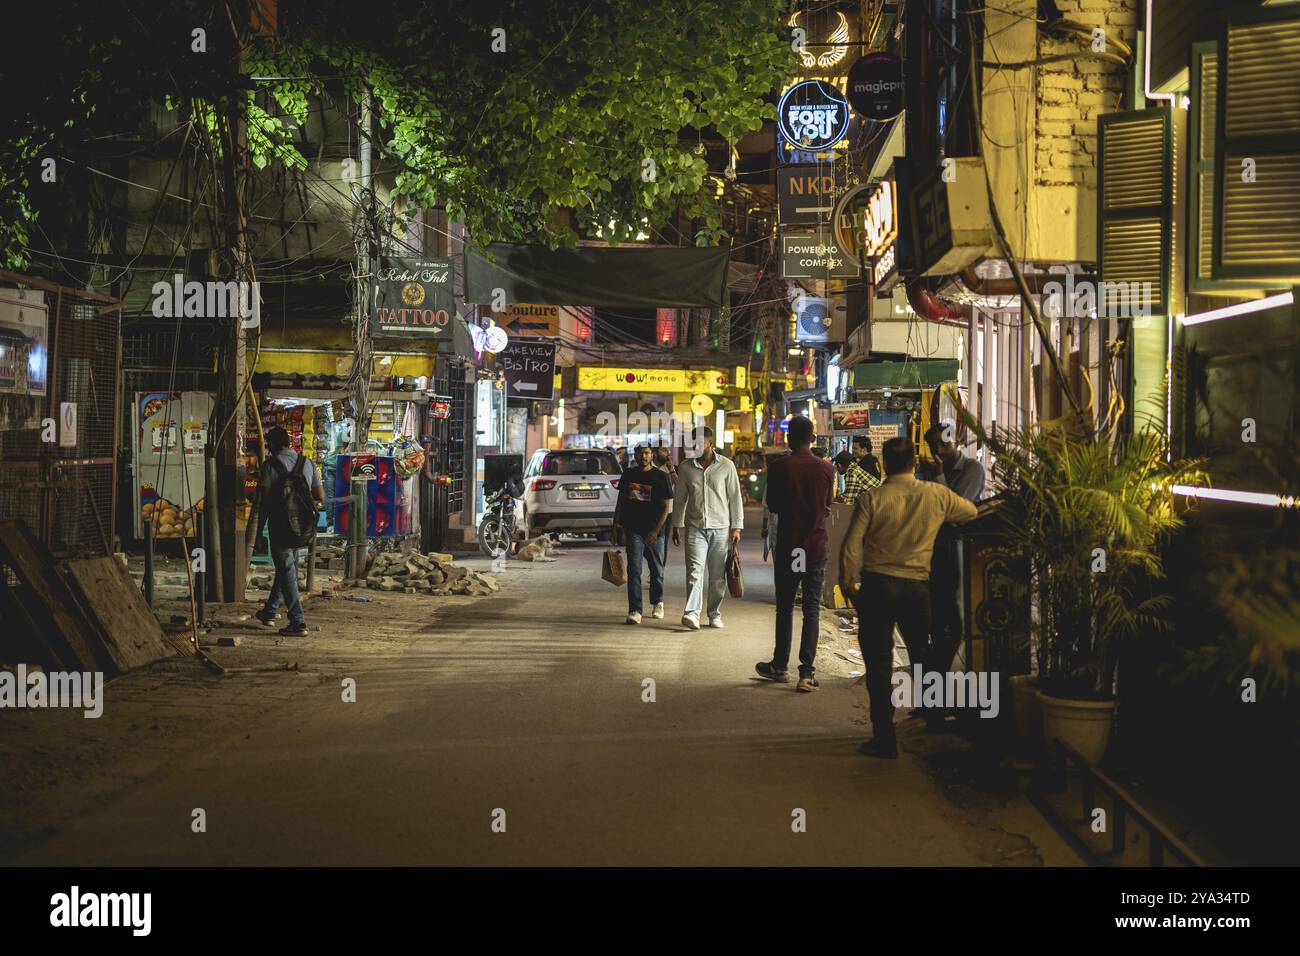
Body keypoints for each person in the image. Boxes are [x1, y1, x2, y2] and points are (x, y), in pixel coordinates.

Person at [839, 437, 978, 758]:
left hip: (877, 587)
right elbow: (969, 511)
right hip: (917, 588)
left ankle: (884, 738)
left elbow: (851, 546)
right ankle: (934, 718)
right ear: (914, 463)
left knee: (879, 664)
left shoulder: (872, 498)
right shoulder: (935, 495)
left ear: (884, 463)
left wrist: (849, 585)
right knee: (922, 656)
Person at [756, 416, 835, 692]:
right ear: (813, 439)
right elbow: (827, 505)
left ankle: (779, 666)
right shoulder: (827, 469)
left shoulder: (778, 468)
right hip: (814, 547)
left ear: (789, 439)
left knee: (785, 608)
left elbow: (774, 505)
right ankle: (806, 672)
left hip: (790, 547)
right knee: (811, 609)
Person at [921, 423, 986, 687]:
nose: (939, 450)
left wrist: (937, 478)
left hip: (957, 552)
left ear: (956, 441)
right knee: (936, 623)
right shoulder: (931, 471)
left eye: (943, 444)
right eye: (934, 445)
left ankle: (946, 690)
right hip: (931, 553)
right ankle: (934, 695)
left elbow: (953, 511)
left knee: (953, 624)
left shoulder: (972, 469)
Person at [254, 426, 325, 636]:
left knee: (286, 569)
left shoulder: (270, 466)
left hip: (281, 526)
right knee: (287, 567)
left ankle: (298, 621)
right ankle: (270, 610)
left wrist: (259, 532)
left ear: (272, 445)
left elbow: (265, 502)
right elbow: (320, 495)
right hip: (303, 527)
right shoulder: (307, 463)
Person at [671, 426, 743, 630]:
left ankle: (714, 613)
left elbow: (735, 498)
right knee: (694, 571)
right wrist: (677, 525)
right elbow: (680, 499)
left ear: (710, 443)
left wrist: (737, 527)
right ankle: (692, 613)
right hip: (695, 528)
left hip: (721, 528)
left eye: (700, 443)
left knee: (717, 575)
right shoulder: (685, 468)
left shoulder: (727, 466)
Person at [611, 443, 674, 624]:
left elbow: (666, 508)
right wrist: (615, 528)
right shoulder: (629, 475)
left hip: (655, 531)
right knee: (634, 570)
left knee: (657, 570)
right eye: (639, 454)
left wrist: (656, 531)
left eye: (646, 453)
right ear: (635, 456)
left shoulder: (661, 477)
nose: (643, 457)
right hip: (634, 529)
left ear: (652, 455)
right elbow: (620, 502)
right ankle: (635, 610)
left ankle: (658, 602)